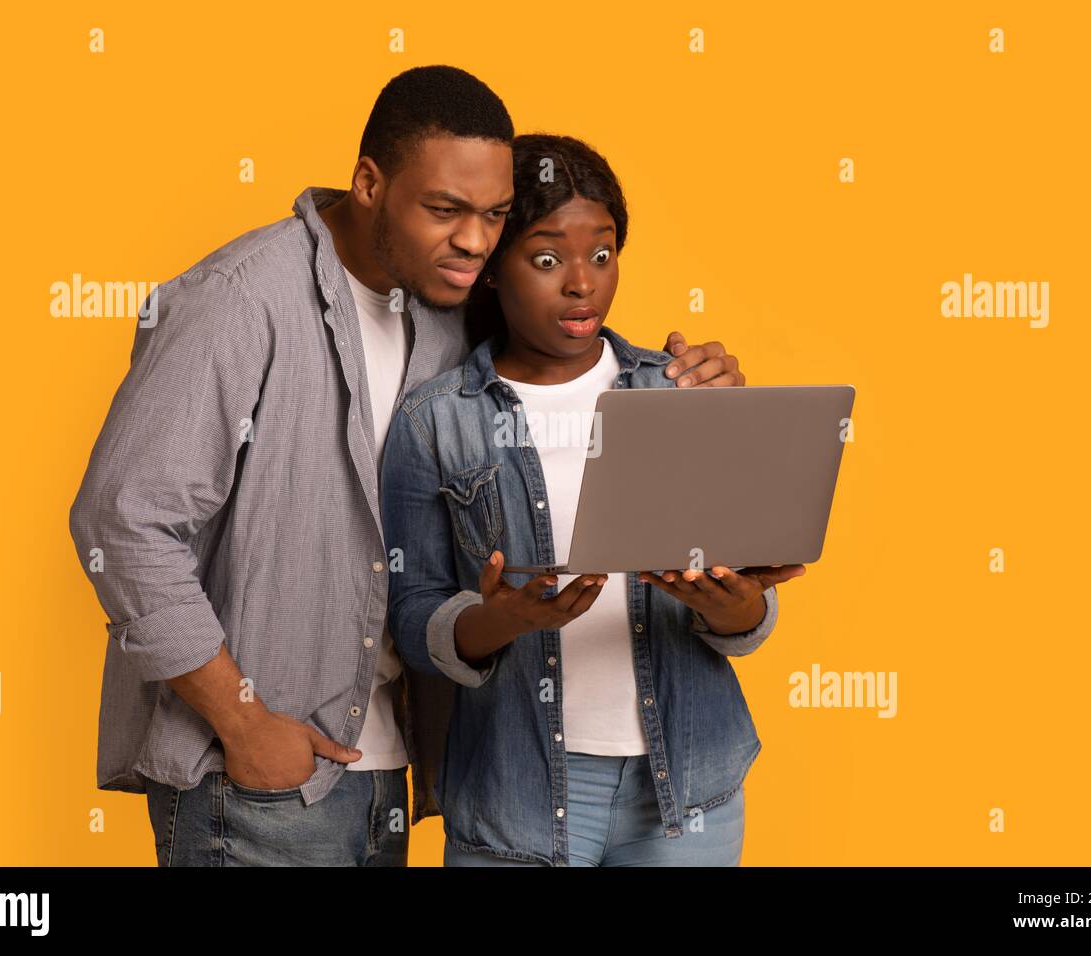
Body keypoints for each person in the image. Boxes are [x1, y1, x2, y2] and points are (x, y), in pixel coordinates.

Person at [68, 66, 747, 867]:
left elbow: (559, 337)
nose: (473, 239)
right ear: (368, 183)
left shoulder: (441, 310)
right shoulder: (241, 301)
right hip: (253, 783)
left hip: (386, 776)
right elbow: (122, 521)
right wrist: (245, 724)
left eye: (494, 215)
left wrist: (687, 382)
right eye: (444, 209)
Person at [380, 134, 806, 867]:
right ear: (490, 271)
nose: (582, 283)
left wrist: (732, 606)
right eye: (547, 259)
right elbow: (411, 611)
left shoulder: (680, 392)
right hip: (519, 795)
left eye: (601, 255)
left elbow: (748, 613)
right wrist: (495, 621)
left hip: (687, 787)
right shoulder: (435, 420)